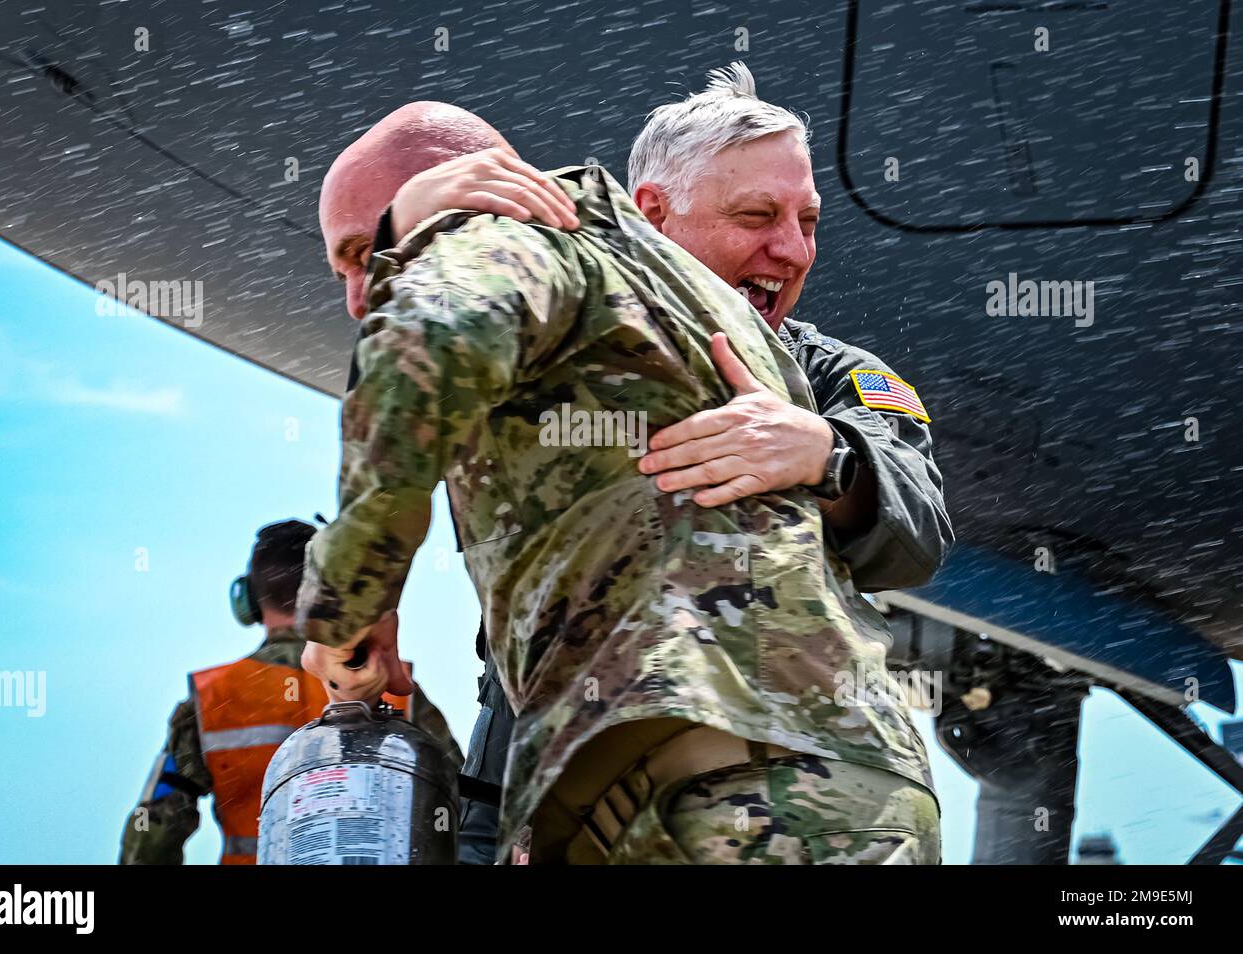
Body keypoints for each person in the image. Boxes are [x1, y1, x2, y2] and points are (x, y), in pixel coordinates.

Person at [301, 96, 941, 864]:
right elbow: (423, 365)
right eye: (756, 216)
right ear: (653, 211)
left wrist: (826, 455)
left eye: (805, 223)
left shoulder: (820, 372)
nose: (793, 251)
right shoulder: (556, 312)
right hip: (553, 757)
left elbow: (920, 532)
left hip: (746, 761)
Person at [120, 519, 459, 864]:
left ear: (248, 600)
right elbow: (468, 803)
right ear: (331, 593)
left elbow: (152, 834)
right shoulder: (393, 684)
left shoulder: (210, 699)